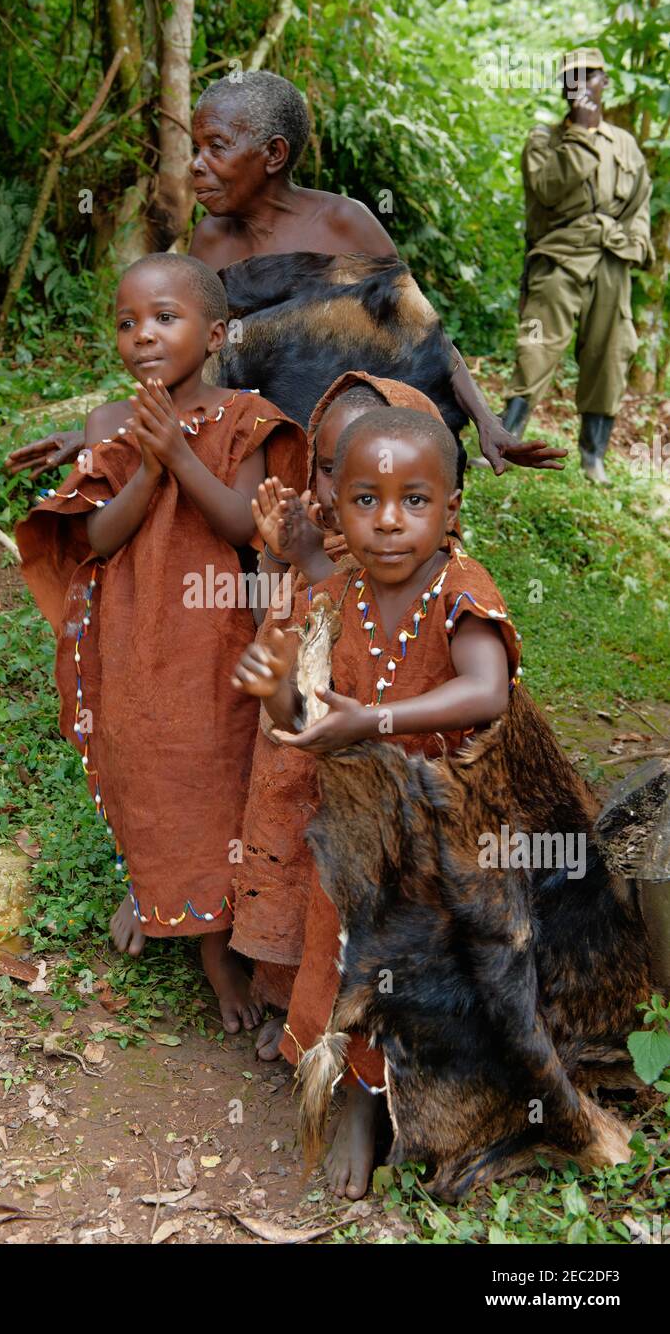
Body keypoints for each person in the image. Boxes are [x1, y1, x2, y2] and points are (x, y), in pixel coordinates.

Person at [5, 71, 565, 482]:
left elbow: (421, 332)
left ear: (273, 154)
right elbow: (197, 361)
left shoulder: (343, 223)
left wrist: (487, 421)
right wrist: (104, 432)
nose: (197, 163)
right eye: (196, 148)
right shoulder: (210, 241)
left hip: (354, 454)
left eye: (216, 147)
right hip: (263, 457)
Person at [232, 402, 521, 1197]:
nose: (389, 523)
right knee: (356, 971)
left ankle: (443, 1110)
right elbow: (310, 719)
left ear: (451, 509)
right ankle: (360, 1103)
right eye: (366, 501)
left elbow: (486, 689)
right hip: (358, 840)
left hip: (445, 839)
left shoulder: (460, 591)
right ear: (334, 509)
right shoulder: (336, 600)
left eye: (415, 502)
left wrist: (379, 719)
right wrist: (279, 695)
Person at [15, 253, 306, 1033]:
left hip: (214, 628)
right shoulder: (110, 425)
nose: (143, 335)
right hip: (134, 629)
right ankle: (179, 916)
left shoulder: (245, 416)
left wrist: (180, 454)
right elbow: (100, 537)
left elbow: (243, 524)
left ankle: (223, 933)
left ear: (214, 334)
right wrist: (146, 466)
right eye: (126, 322)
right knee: (143, 760)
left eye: (164, 319)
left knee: (218, 764)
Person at [231, 371, 445, 1060]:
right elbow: (282, 613)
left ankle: (349, 1028)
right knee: (290, 856)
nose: (335, 487)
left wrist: (305, 553)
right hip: (298, 737)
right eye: (327, 468)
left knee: (347, 890)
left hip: (375, 764)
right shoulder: (316, 536)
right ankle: (287, 996)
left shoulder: (421, 564)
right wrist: (273, 551)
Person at [501, 47, 653, 484]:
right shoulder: (543, 140)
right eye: (573, 79)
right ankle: (508, 438)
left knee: (611, 353)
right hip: (560, 255)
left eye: (591, 77)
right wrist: (582, 135)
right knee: (537, 346)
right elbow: (548, 191)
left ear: (604, 84)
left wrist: (636, 242)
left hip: (612, 258)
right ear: (564, 90)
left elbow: (640, 201)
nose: (583, 86)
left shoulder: (625, 144)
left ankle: (593, 456)